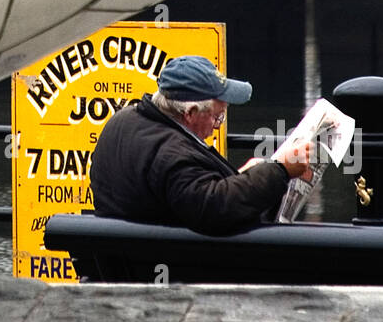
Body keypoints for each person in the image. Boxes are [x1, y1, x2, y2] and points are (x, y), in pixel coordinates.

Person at [90, 54, 313, 234]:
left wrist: (243, 175)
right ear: (191, 113)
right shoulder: (172, 154)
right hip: (173, 266)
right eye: (218, 116)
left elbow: (192, 191)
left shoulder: (123, 121)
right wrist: (280, 170)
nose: (218, 126)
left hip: (127, 254)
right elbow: (215, 207)